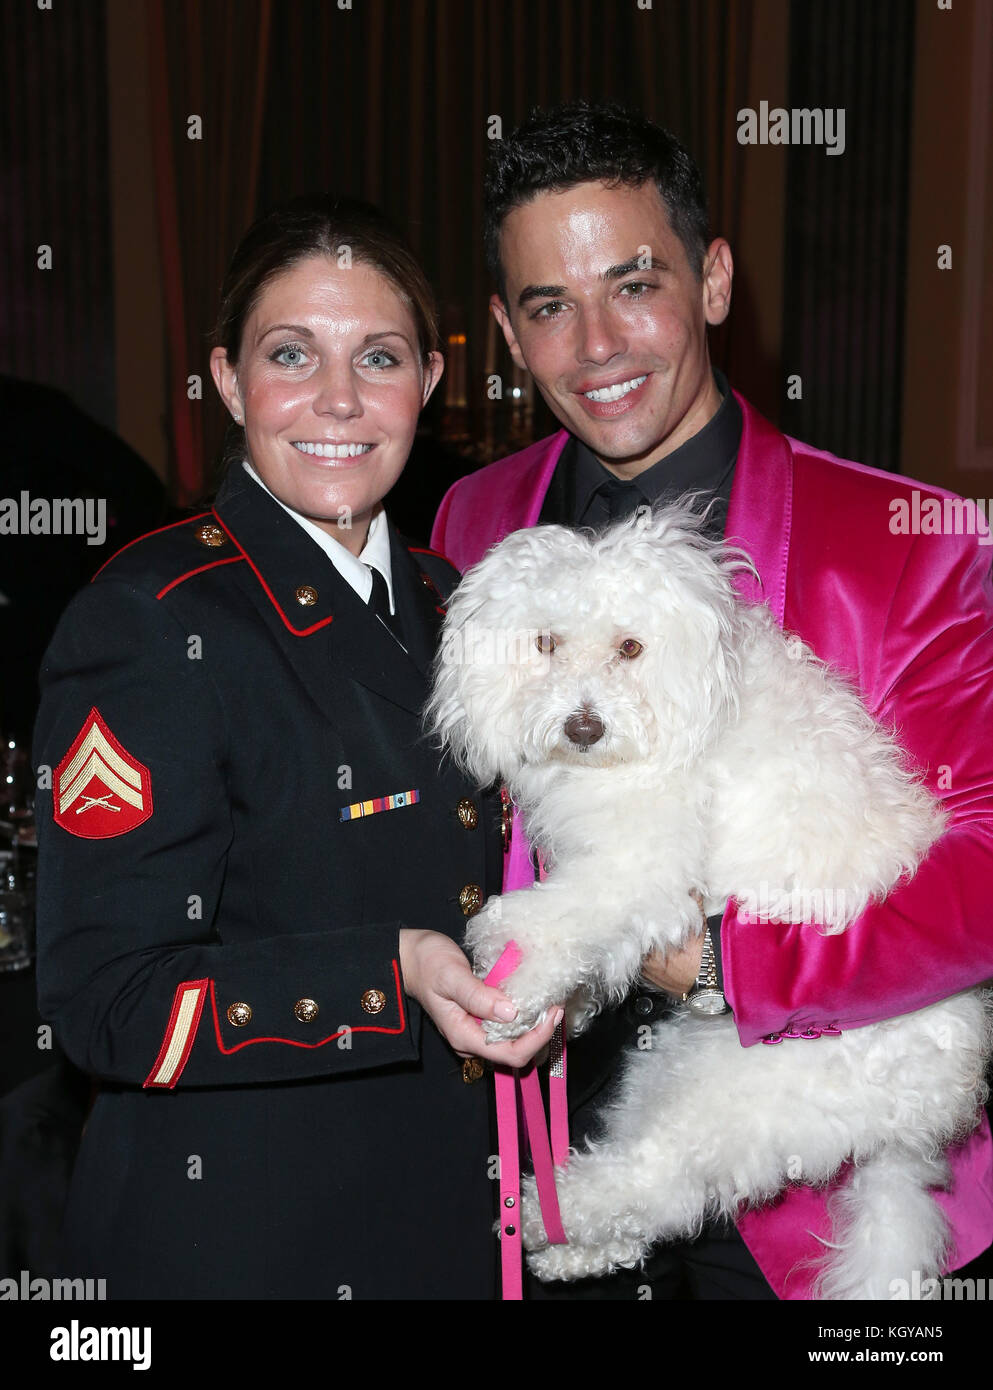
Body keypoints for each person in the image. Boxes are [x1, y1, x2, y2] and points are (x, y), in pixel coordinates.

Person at [431, 101, 993, 1300]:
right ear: (505, 333)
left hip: (808, 1193)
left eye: (634, 283)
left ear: (717, 280)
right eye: (547, 306)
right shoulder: (472, 524)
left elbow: (983, 877)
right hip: (538, 1168)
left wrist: (720, 966)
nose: (594, 343)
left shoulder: (911, 538)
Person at [32, 194, 558, 1301]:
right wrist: (390, 971)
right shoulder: (151, 616)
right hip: (241, 1239)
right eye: (290, 354)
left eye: (378, 357)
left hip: (447, 1219)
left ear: (427, 384)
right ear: (227, 382)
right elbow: (104, 1002)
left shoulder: (453, 600)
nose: (337, 400)